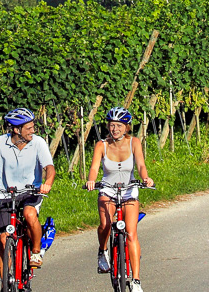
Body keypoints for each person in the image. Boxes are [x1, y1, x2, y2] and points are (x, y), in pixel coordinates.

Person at [0, 107, 56, 274]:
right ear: (16, 129)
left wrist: (47, 183)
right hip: (6, 194)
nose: (32, 131)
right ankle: (6, 281)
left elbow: (49, 167)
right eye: (28, 128)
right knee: (4, 240)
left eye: (33, 126)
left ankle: (35, 252)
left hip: (30, 192)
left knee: (29, 215)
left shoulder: (38, 143)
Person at [85, 106, 154, 292]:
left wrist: (145, 178)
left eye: (119, 125)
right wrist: (92, 181)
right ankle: (103, 251)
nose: (115, 129)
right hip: (107, 190)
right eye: (112, 125)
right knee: (105, 225)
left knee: (131, 233)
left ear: (126, 127)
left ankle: (136, 280)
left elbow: (140, 164)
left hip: (129, 191)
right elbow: (94, 168)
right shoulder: (102, 145)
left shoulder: (134, 143)